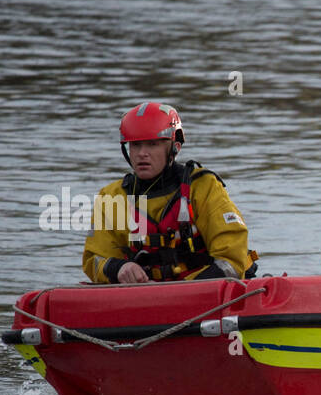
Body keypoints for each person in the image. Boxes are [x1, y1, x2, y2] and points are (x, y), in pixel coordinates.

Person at [83, 102, 255, 284]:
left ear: (175, 147)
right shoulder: (111, 196)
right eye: (135, 145)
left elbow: (231, 259)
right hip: (142, 296)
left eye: (152, 144)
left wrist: (185, 291)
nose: (142, 153)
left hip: (205, 293)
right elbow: (94, 259)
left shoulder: (204, 187)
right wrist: (119, 268)